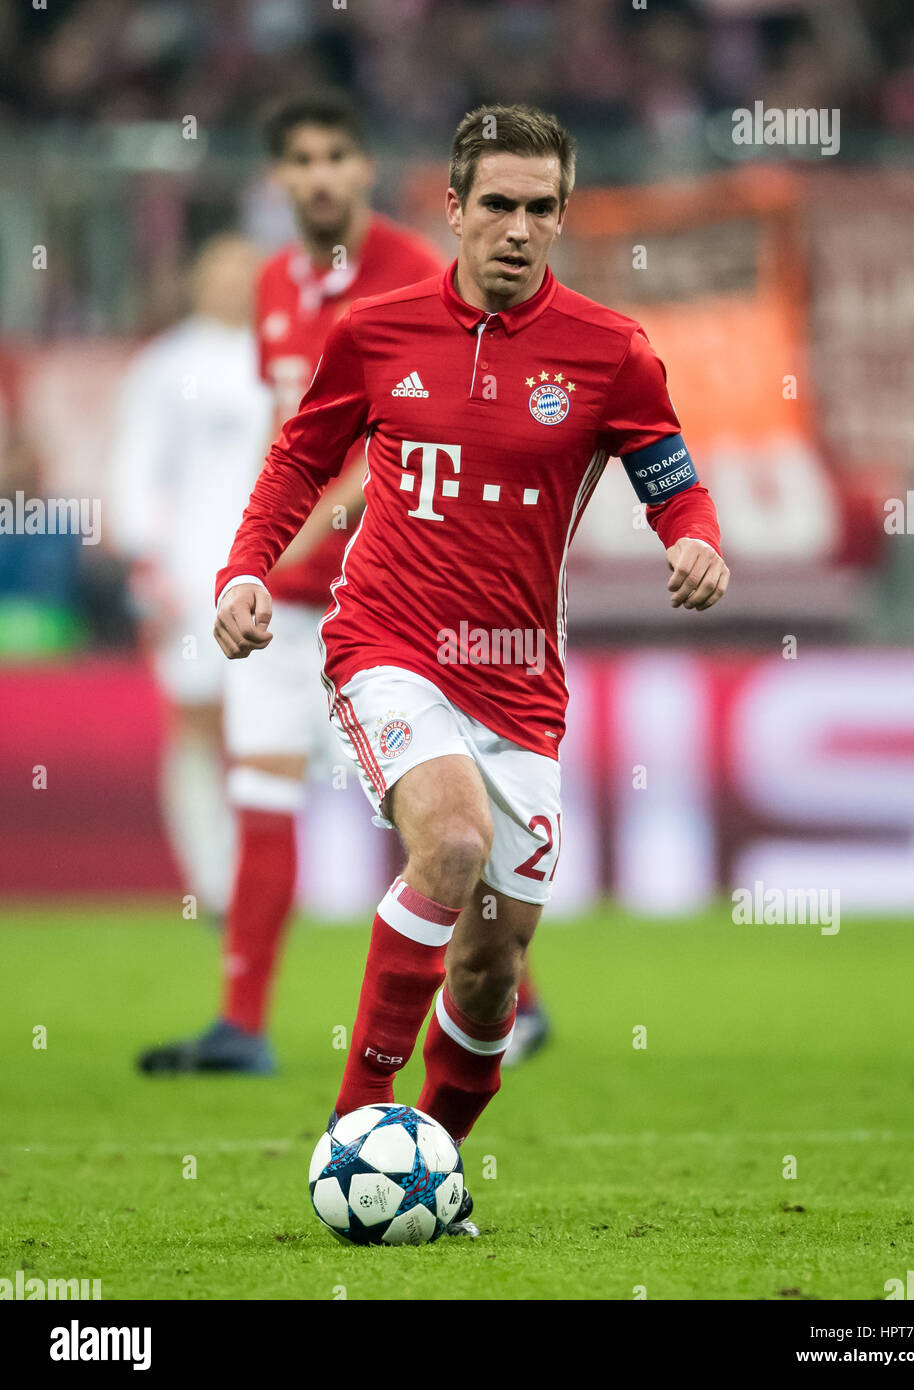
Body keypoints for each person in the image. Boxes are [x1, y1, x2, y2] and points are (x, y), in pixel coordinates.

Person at [213, 104, 729, 1232]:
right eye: (496, 203)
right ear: (451, 207)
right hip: (388, 644)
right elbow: (300, 454)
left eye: (541, 207)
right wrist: (244, 569)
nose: (517, 227)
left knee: (492, 974)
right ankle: (355, 1121)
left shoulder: (612, 352)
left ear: (563, 215)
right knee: (450, 842)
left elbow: (671, 479)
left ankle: (426, 1169)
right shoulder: (378, 330)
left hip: (520, 685)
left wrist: (694, 535)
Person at [138, 91, 444, 1074]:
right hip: (285, 595)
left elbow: (404, 438)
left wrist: (306, 532)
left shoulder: (414, 277)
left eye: (336, 155)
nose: (318, 174)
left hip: (383, 591)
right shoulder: (274, 284)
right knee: (258, 788)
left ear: (365, 168)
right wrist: (257, 558)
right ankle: (242, 1025)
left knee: (423, 805)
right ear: (280, 177)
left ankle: (507, 997)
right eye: (300, 159)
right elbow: (295, 440)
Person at [109, 234, 270, 924]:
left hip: (282, 571)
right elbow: (137, 467)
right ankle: (213, 881)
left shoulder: (290, 358)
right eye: (222, 271)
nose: (236, 285)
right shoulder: (166, 366)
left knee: (276, 725)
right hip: (195, 571)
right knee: (199, 720)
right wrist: (147, 560)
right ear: (198, 281)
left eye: (247, 273)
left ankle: (274, 870)